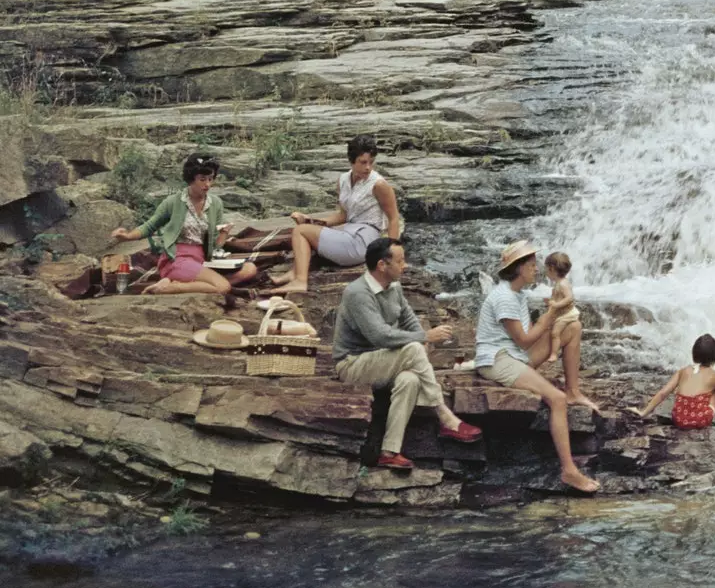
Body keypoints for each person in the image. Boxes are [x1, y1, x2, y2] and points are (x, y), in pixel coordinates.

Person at [332, 237, 482, 472]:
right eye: (400, 261)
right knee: (413, 347)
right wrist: (424, 338)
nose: (406, 265)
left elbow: (411, 322)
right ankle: (444, 415)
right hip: (353, 365)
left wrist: (420, 337)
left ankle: (389, 451)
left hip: (384, 363)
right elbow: (379, 336)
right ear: (382, 265)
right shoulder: (357, 293)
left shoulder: (394, 288)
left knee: (410, 379)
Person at [474, 240, 600, 494]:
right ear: (518, 269)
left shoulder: (518, 294)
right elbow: (524, 339)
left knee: (573, 327)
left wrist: (555, 320)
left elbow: (527, 337)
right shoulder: (505, 298)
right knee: (556, 399)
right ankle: (569, 471)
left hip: (515, 354)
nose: (536, 269)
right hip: (498, 360)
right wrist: (551, 316)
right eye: (531, 265)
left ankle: (574, 390)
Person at [110, 153, 258, 294]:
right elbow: (149, 226)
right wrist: (128, 236)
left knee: (250, 269)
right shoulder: (173, 202)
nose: (207, 184)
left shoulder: (216, 203)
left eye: (211, 179)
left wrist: (224, 233)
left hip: (202, 260)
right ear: (191, 178)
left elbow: (215, 245)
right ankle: (171, 288)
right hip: (177, 259)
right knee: (223, 287)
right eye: (202, 179)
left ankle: (183, 284)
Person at [275, 134, 400, 295]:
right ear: (351, 160)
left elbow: (393, 218)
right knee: (304, 229)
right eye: (363, 162)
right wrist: (311, 221)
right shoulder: (343, 180)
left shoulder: (379, 184)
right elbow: (342, 216)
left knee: (300, 232)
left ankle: (300, 280)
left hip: (364, 241)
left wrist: (393, 255)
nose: (368, 167)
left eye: (371, 162)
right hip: (348, 232)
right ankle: (295, 272)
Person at [636, 333, 715, 451]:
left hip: (678, 418)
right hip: (700, 421)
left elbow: (663, 393)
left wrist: (643, 412)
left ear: (694, 354)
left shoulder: (683, 371)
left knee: (684, 391)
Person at [545, 250, 581, 356]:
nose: (545, 272)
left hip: (567, 314)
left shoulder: (563, 284)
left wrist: (556, 305)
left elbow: (570, 298)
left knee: (555, 333)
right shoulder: (559, 283)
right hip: (562, 313)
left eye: (546, 269)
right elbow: (559, 297)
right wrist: (550, 301)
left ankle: (554, 354)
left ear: (551, 269)